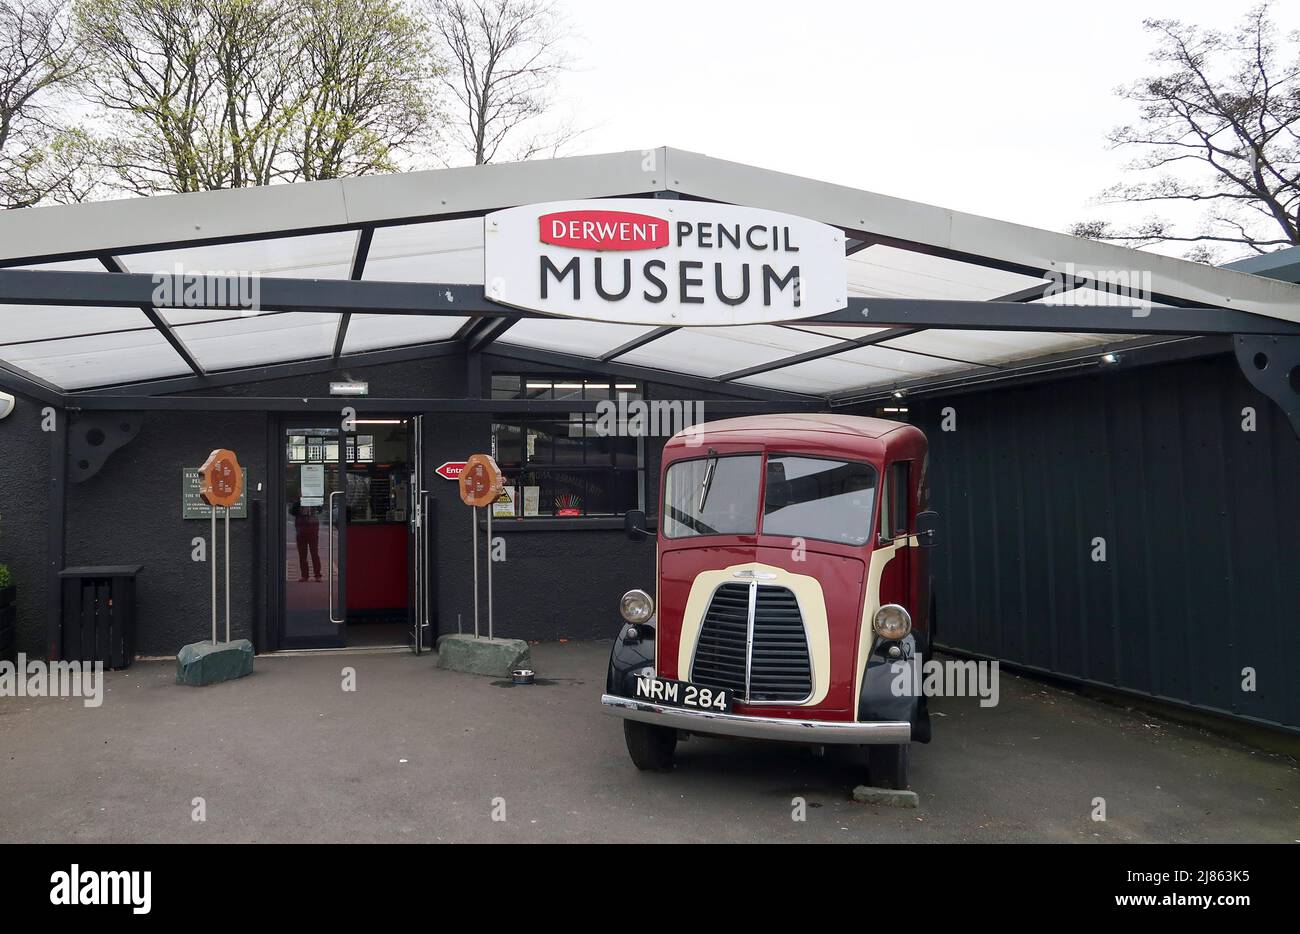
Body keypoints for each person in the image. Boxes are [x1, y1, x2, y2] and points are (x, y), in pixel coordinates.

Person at [291, 500, 322, 582]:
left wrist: (313, 499)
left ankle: (317, 575)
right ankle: (304, 575)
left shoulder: (314, 502)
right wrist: (299, 501)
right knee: (302, 555)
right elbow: (291, 511)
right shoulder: (298, 503)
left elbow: (320, 510)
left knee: (314, 553)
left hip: (312, 530)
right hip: (301, 531)